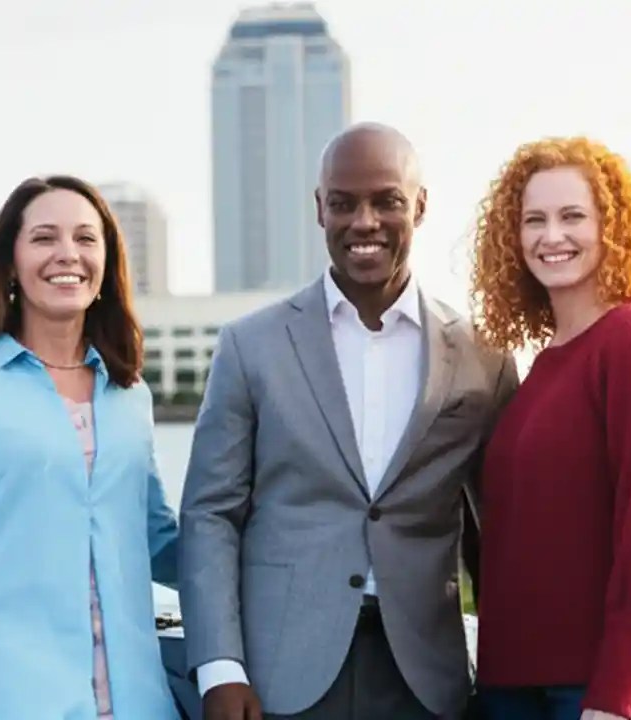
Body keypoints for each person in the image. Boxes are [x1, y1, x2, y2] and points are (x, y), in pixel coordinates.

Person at [179, 122, 519, 720]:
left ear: (419, 206)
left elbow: (500, 528)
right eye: (343, 203)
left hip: (424, 676)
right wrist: (219, 667)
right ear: (319, 209)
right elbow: (211, 514)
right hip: (277, 674)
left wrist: (516, 668)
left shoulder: (482, 356)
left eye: (387, 201)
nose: (364, 222)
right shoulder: (250, 346)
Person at [0, 175, 181, 720]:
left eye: (86, 239)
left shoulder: (128, 393)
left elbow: (159, 539)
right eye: (45, 238)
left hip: (137, 703)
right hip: (10, 699)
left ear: (107, 263)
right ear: (11, 263)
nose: (67, 254)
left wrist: (273, 568)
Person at [469, 136, 631, 720]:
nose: (552, 236)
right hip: (513, 684)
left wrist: (614, 695)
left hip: (606, 690)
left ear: (612, 228)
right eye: (533, 220)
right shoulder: (542, 366)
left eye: (573, 216)